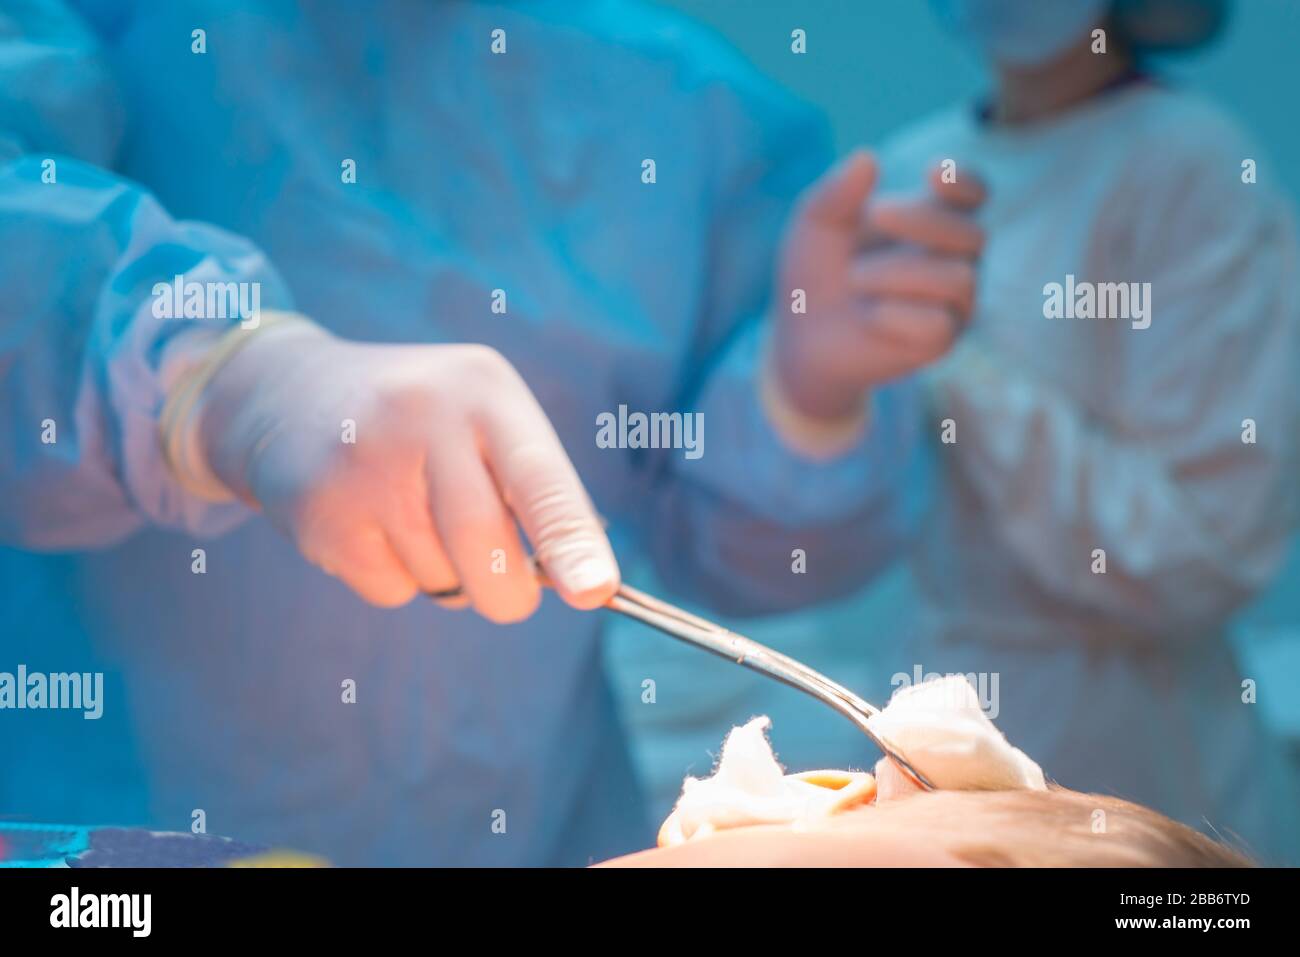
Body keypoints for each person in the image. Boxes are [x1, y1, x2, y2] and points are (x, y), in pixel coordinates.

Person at [0, 1, 979, 865]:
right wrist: (221, 379)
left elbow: (767, 562)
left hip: (535, 825)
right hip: (105, 838)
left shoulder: (672, 103)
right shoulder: (102, 25)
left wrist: (802, 393)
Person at [869, 0, 1300, 863]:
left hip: (1141, 728)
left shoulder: (1193, 166)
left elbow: (1194, 553)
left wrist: (957, 366)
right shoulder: (910, 167)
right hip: (936, 692)